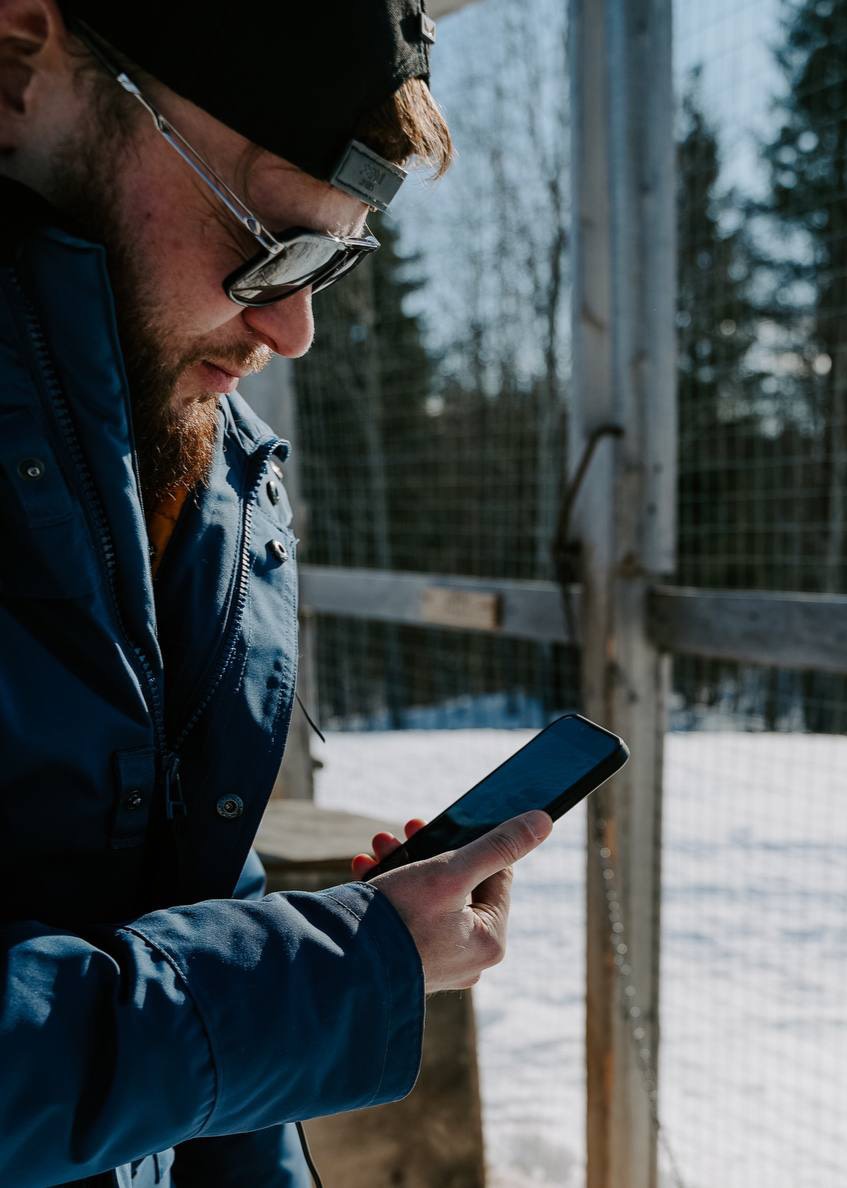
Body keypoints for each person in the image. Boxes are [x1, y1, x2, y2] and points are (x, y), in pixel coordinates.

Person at [0, 1, 554, 1184]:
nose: (293, 326)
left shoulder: (213, 479)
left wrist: (300, 962)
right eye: (267, 239)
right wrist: (317, 975)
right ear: (18, 64)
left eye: (332, 262)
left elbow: (183, 914)